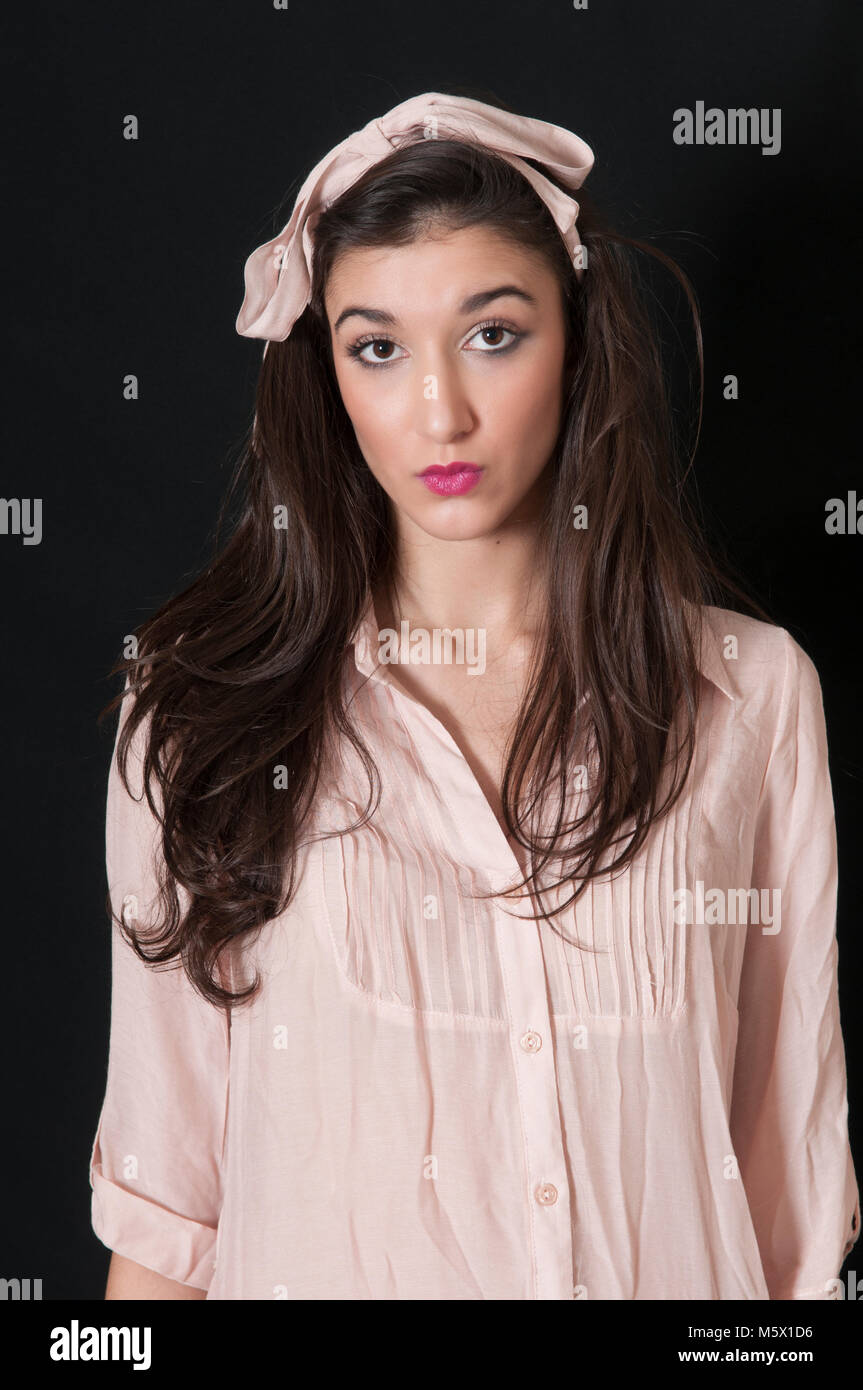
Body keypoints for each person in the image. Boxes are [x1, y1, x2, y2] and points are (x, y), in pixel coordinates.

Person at [89, 89, 859, 1300]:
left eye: (492, 333)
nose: (437, 410)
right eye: (377, 347)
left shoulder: (750, 700)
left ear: (576, 335)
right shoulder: (199, 717)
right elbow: (167, 1216)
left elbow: (785, 1207)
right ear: (326, 371)